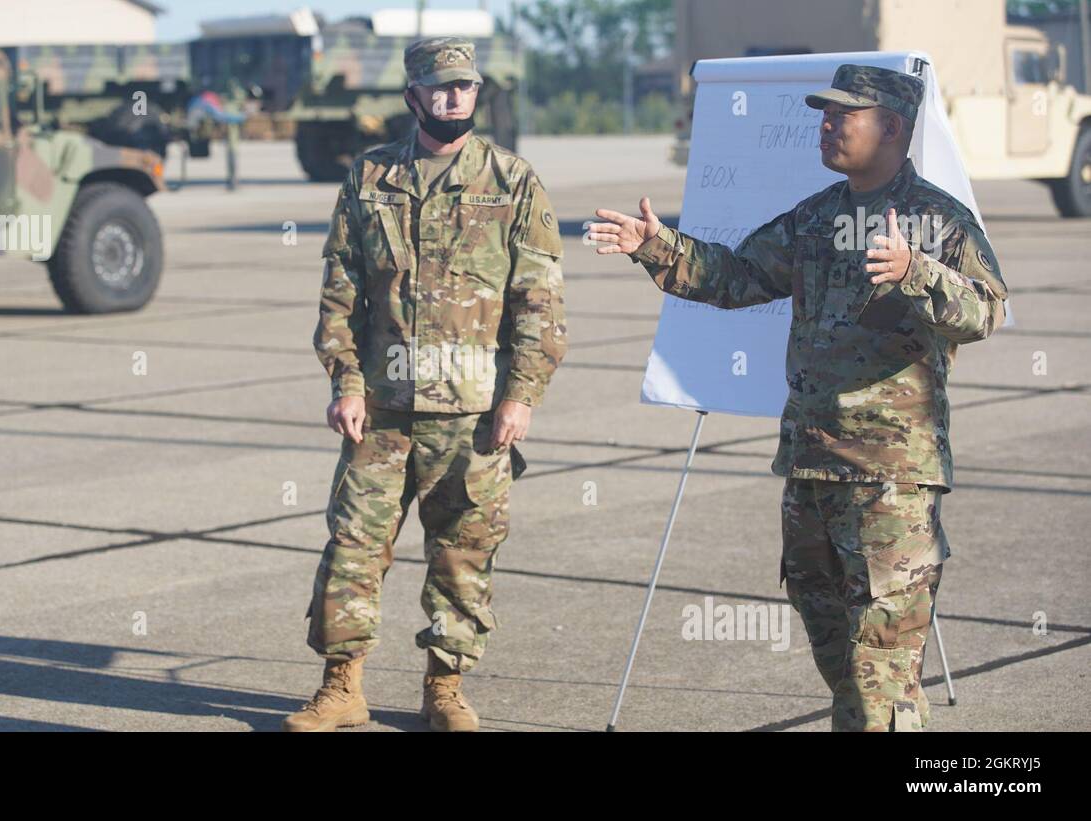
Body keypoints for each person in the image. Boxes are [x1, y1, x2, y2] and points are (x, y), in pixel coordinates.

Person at [589, 65, 1007, 731]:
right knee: (840, 662)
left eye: (845, 114)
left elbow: (986, 310)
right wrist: (658, 247)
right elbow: (740, 275)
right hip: (810, 468)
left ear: (893, 127)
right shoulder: (818, 217)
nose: (828, 124)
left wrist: (915, 272)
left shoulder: (937, 220)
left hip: (888, 481)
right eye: (824, 112)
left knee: (881, 678)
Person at [285, 37, 568, 732]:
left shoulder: (513, 181)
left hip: (471, 413)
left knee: (463, 552)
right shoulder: (370, 176)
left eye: (465, 87)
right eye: (440, 87)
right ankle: (342, 685)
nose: (453, 98)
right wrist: (346, 381)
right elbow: (340, 291)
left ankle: (445, 685)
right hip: (380, 409)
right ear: (412, 96)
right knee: (352, 546)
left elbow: (539, 300)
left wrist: (521, 394)